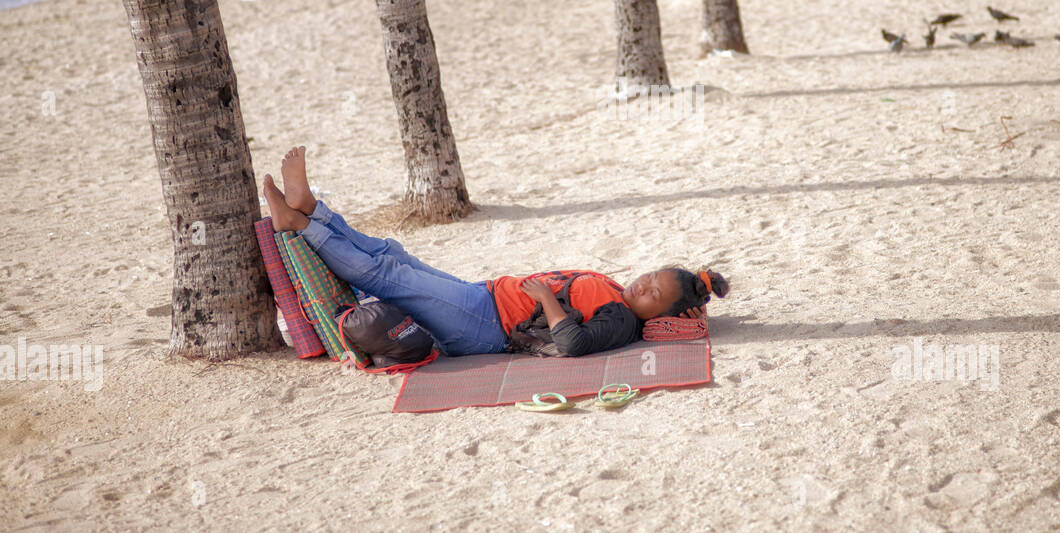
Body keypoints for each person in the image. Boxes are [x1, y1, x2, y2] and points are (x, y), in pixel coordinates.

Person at [261, 148, 728, 358]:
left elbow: (574, 344)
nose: (642, 286)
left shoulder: (622, 320)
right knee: (394, 253)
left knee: (385, 274)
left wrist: (546, 297)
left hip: (485, 326)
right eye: (650, 278)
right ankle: (313, 209)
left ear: (654, 315)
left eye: (651, 295)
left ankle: (300, 223)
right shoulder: (618, 295)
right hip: (483, 298)